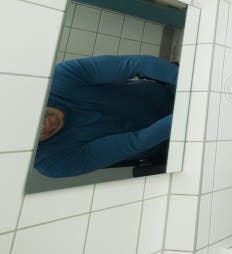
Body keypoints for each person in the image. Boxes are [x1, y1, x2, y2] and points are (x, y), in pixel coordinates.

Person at [34, 55, 177, 178]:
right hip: (165, 142)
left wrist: (189, 85)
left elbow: (136, 64)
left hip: (168, 94)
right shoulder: (50, 162)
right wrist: (184, 116)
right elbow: (135, 142)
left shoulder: (57, 80)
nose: (41, 129)